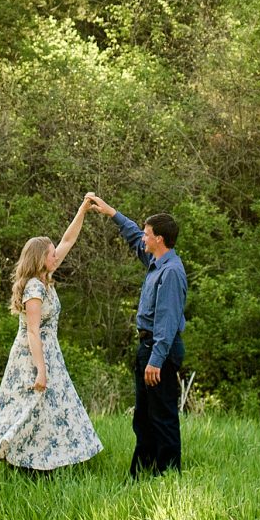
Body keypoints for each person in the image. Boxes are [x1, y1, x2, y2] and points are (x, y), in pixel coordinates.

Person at [0, 196, 104, 472]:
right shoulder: (34, 289)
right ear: (40, 259)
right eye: (51, 254)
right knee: (31, 407)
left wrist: (82, 210)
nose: (55, 256)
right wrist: (41, 370)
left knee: (51, 408)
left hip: (49, 352)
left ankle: (45, 463)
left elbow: (68, 241)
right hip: (33, 355)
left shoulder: (44, 280)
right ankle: (21, 463)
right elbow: (33, 333)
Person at [85, 193, 186, 477]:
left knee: (162, 417)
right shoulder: (156, 262)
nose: (143, 236)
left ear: (160, 240)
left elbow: (167, 321)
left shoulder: (171, 273)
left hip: (160, 350)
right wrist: (110, 213)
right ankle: (142, 475)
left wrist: (155, 359)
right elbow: (132, 237)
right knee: (143, 419)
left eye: (148, 233)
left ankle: (167, 476)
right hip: (149, 347)